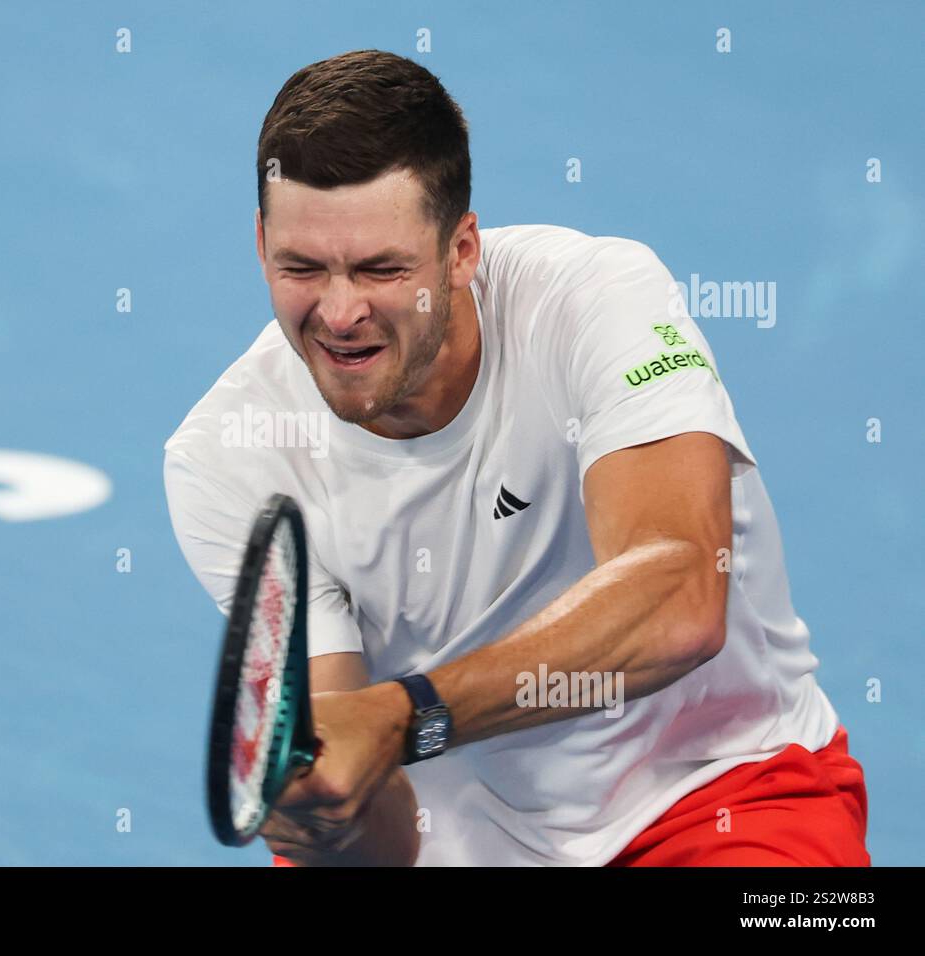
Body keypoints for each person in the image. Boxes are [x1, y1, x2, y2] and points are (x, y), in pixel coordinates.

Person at [163, 49, 869, 866]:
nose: (340, 312)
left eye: (382, 269)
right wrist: (331, 810)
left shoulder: (597, 299)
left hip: (717, 800)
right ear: (259, 243)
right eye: (301, 268)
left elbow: (681, 595)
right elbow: (384, 843)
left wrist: (406, 714)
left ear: (463, 250)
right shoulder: (225, 460)